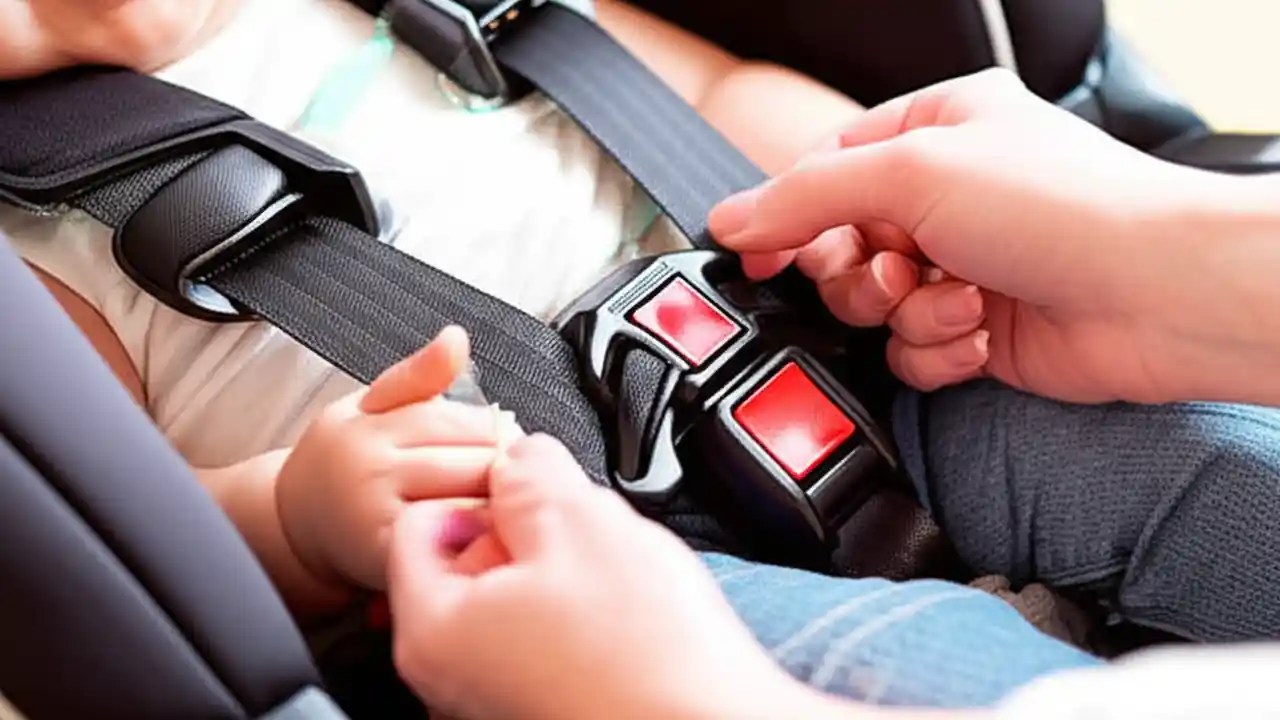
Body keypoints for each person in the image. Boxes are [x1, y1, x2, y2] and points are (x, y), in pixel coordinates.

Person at [1, 0, 1104, 710]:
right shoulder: (32, 255)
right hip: (577, 565)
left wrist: (859, 188)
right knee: (923, 664)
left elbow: (707, 94)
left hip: (852, 363)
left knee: (1176, 448)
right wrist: (297, 516)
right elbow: (142, 531)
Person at [382, 67, 1280, 720]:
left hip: (828, 384)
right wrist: (1168, 261)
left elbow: (707, 85)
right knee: (1224, 472)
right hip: (539, 502)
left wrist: (687, 702)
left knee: (1204, 471)